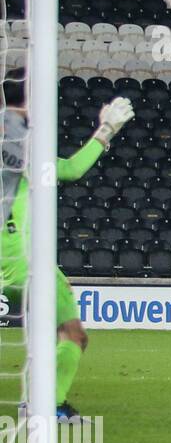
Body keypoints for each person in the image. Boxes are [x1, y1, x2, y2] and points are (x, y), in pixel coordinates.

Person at [0, 73, 134, 422]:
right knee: (72, 335)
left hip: (7, 262)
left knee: (46, 337)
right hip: (27, 265)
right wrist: (107, 131)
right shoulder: (19, 149)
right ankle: (48, 407)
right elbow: (72, 170)